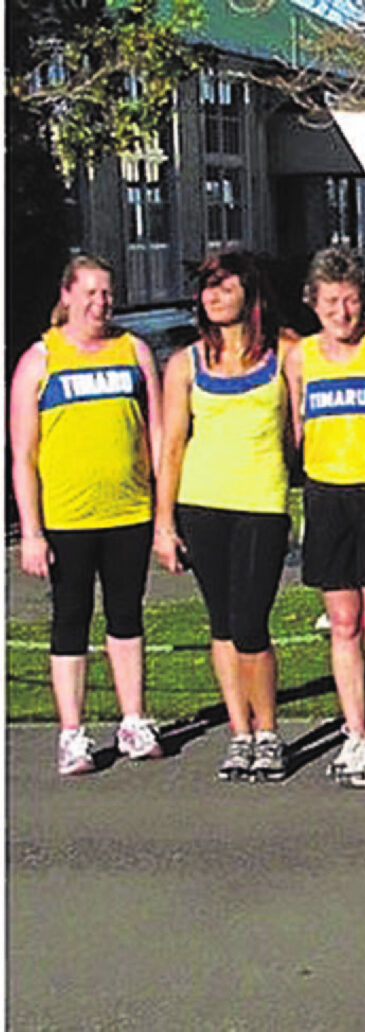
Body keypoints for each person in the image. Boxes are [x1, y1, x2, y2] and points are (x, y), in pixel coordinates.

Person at [9, 256, 164, 775]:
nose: (101, 303)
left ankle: (133, 720)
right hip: (68, 519)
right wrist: (31, 531)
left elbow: (158, 436)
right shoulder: (40, 359)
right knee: (70, 619)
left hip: (128, 510)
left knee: (127, 615)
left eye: (107, 293)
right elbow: (24, 455)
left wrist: (163, 512)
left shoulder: (133, 352)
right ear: (68, 295)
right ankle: (72, 734)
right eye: (91, 293)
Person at [155, 251, 293, 782]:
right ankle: (240, 733)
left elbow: (300, 426)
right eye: (208, 289)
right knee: (222, 622)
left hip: (261, 502)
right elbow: (171, 447)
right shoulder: (185, 363)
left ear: (250, 295)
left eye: (225, 288)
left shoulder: (286, 355)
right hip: (202, 503)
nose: (213, 297)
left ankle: (268, 732)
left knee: (251, 623)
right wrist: (164, 524)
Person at [283, 246, 365, 788]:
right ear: (314, 303)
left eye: (352, 301)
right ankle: (353, 730)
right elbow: (296, 429)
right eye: (332, 302)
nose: (343, 313)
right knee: (345, 625)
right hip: (326, 496)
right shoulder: (300, 358)